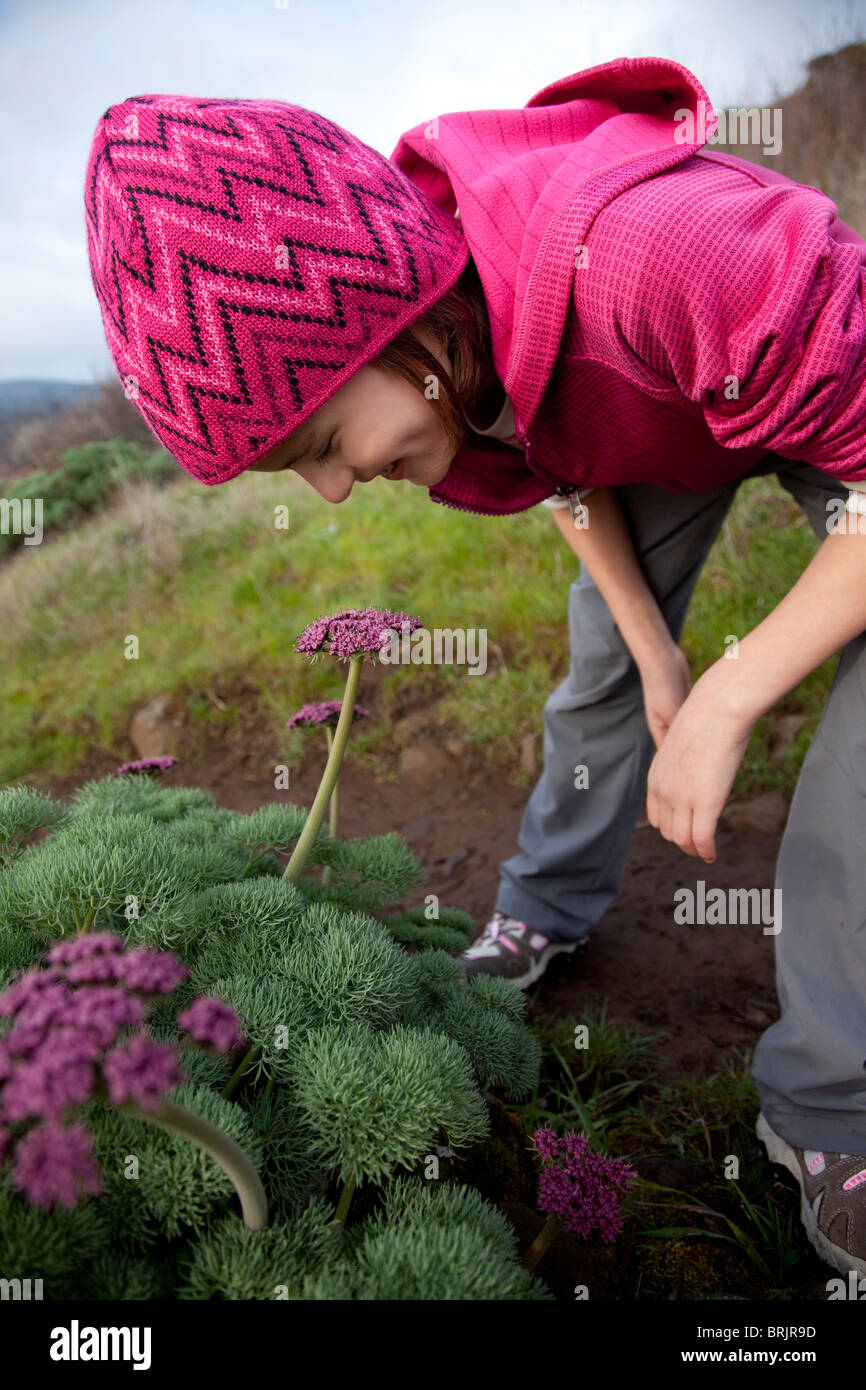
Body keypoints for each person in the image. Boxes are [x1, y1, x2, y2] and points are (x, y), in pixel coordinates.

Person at [84, 55, 866, 1280]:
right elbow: (556, 462)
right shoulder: (446, 382)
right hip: (637, 418)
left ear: (401, 323)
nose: (335, 492)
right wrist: (662, 657)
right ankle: (542, 913)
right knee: (608, 661)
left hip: (797, 389)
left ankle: (829, 1108)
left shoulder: (670, 257)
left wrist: (729, 689)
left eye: (324, 445)